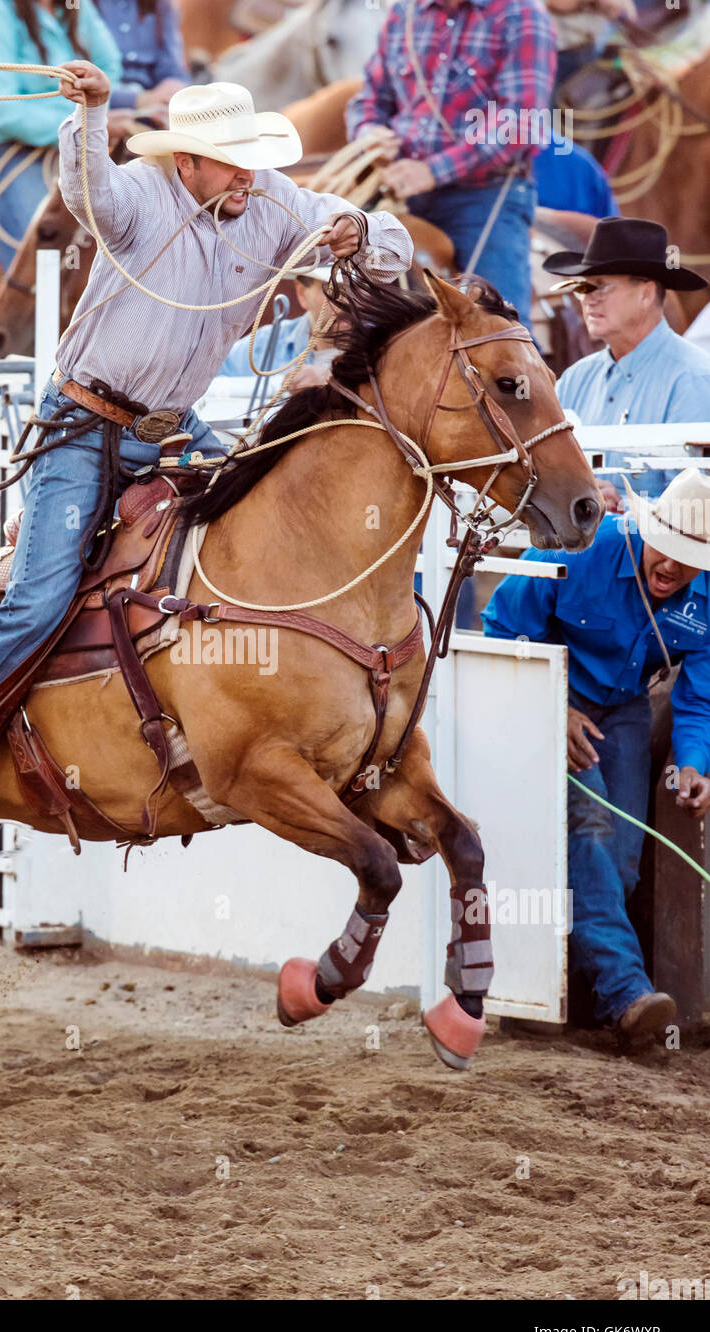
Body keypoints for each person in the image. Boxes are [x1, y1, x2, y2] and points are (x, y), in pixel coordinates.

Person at [0, 71, 414, 887]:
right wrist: (91, 112)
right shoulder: (140, 198)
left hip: (171, 430)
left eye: (250, 159)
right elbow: (85, 189)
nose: (247, 175)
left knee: (265, 522)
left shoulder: (270, 206)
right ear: (185, 162)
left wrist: (358, 231)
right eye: (229, 162)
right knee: (39, 597)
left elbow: (387, 239)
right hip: (84, 429)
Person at [482, 469, 710, 1036]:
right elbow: (501, 625)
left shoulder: (704, 603)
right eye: (668, 550)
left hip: (626, 711)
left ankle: (573, 999)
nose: (673, 568)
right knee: (590, 830)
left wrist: (693, 764)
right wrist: (549, 704)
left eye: (690, 559)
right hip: (553, 692)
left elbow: (698, 698)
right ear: (646, 531)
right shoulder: (585, 549)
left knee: (624, 860)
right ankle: (626, 994)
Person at [345, 0, 557, 330]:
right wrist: (369, 133)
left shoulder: (520, 14)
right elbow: (370, 97)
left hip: (483, 196)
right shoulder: (405, 12)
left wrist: (432, 171)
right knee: (335, 295)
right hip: (397, 190)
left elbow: (520, 120)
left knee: (497, 324)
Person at [544, 217, 710, 508]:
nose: (587, 300)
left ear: (646, 294)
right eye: (583, 288)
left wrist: (625, 504)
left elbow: (699, 502)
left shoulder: (694, 377)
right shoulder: (574, 379)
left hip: (652, 548)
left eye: (600, 287)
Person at [0, 0, 125, 271]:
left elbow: (109, 71)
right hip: (6, 153)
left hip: (72, 148)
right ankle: (38, 311)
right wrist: (84, 119)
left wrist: (95, 109)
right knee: (45, 267)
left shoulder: (77, 7)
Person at [217, 263, 342, 396]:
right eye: (334, 289)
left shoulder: (367, 352)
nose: (347, 300)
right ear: (302, 293)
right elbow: (200, 382)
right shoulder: (265, 344)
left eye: (357, 288)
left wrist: (333, 382)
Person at [95, 0, 190, 117]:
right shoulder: (81, 6)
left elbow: (174, 71)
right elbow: (81, 80)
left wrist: (169, 92)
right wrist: (138, 99)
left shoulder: (161, 5)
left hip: (154, 104)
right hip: (106, 109)